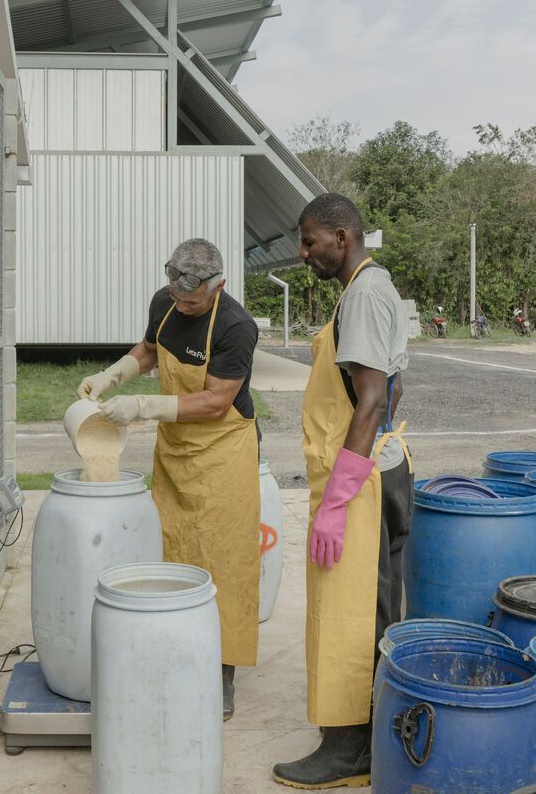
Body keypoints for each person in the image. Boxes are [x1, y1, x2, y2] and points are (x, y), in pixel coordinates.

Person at [77, 238, 260, 721]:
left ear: (218, 285)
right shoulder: (166, 301)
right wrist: (115, 374)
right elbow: (150, 350)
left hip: (223, 452)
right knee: (173, 547)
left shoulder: (236, 326)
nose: (182, 305)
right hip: (177, 449)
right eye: (177, 296)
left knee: (222, 560)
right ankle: (175, 648)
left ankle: (221, 672)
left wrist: (144, 406)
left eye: (192, 301)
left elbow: (217, 402)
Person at [273, 194, 413, 790]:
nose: (303, 253)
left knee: (350, 614)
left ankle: (350, 748)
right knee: (375, 609)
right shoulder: (370, 287)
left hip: (358, 483)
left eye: (309, 242)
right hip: (373, 468)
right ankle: (369, 736)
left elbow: (375, 400)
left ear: (340, 235)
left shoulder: (362, 294)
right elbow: (391, 387)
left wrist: (337, 500)